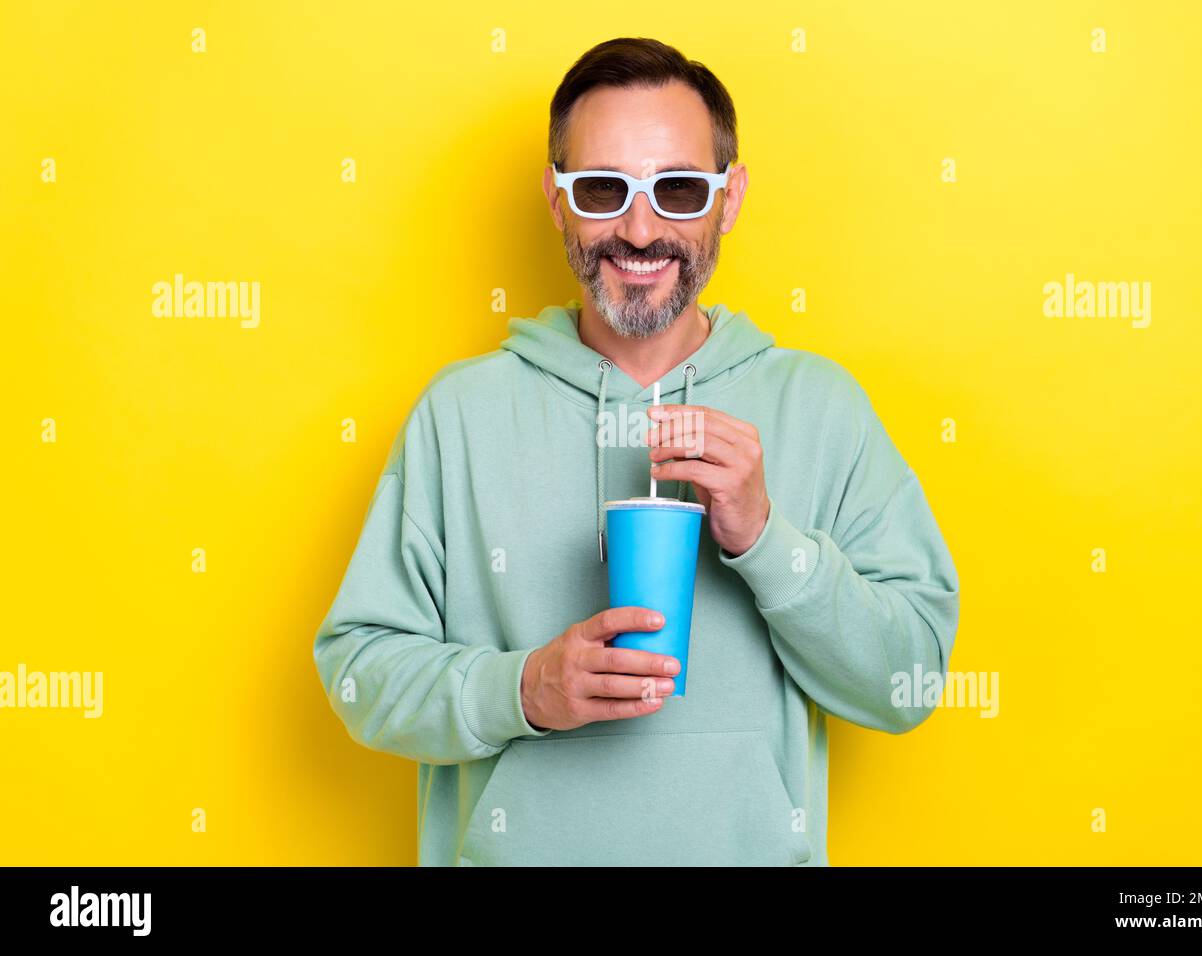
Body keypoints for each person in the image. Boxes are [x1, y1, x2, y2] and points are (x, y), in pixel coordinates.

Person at [313, 36, 959, 866]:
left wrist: (768, 540)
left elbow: (909, 680)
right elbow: (359, 671)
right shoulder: (460, 414)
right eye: (603, 189)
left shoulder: (821, 406)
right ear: (555, 199)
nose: (640, 228)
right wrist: (523, 689)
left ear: (730, 200)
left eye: (680, 189)